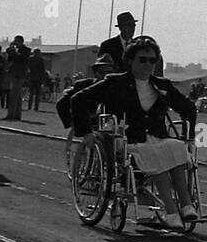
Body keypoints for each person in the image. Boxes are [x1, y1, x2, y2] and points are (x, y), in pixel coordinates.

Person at [70, 37, 198, 227]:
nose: (148, 65)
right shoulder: (115, 82)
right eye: (143, 60)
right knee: (157, 154)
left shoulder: (162, 85)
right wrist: (86, 132)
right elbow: (78, 99)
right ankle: (171, 212)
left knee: (177, 147)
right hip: (128, 140)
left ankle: (187, 206)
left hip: (157, 137)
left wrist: (191, 135)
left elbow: (188, 108)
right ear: (130, 60)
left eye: (152, 60)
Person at [57, 53, 117, 179]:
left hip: (106, 124)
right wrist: (72, 122)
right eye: (102, 73)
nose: (105, 77)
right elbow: (62, 103)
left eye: (109, 73)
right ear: (96, 73)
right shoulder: (82, 86)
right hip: (86, 121)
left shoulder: (116, 89)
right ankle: (84, 167)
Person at [99, 11, 164, 76]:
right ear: (120, 27)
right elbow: (101, 68)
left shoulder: (139, 46)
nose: (132, 28)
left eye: (134, 25)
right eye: (129, 25)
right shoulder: (107, 45)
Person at [4, 35, 30, 120]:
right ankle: (17, 115)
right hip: (14, 73)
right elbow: (10, 59)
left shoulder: (26, 50)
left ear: (21, 41)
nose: (15, 43)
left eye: (16, 41)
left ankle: (10, 115)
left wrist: (13, 51)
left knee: (13, 95)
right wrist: (10, 50)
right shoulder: (15, 50)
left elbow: (20, 58)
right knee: (17, 95)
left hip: (20, 74)